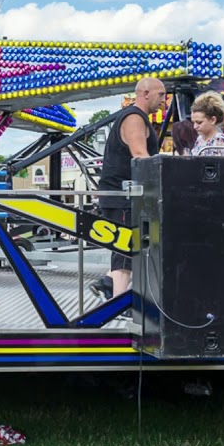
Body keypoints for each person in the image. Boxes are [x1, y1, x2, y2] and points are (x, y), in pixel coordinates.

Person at [91, 77, 167, 301]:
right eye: (161, 95)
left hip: (124, 194)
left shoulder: (136, 117)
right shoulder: (134, 118)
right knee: (127, 250)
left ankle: (107, 284)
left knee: (133, 247)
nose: (164, 100)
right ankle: (117, 303)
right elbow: (140, 155)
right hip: (124, 195)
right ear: (145, 93)